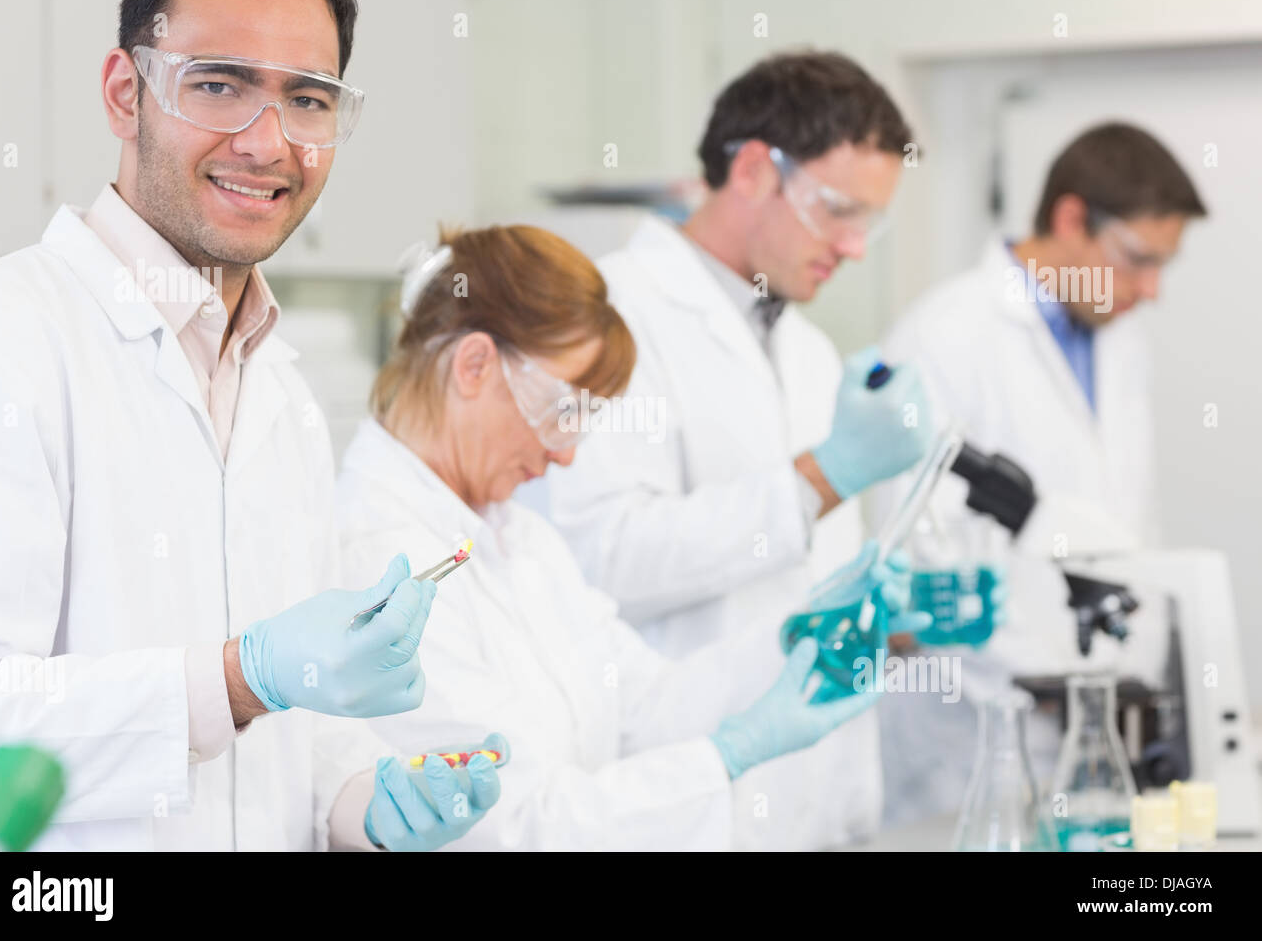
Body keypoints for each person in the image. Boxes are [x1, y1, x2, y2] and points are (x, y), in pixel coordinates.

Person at [0, 0, 499, 851]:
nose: (267, 142)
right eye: (218, 85)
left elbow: (300, 731)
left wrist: (369, 803)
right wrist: (240, 680)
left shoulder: (286, 389)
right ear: (124, 92)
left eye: (308, 99)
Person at [335, 225, 926, 850]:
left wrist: (797, 633)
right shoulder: (375, 557)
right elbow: (512, 824)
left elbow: (640, 702)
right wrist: (726, 757)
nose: (566, 456)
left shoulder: (521, 539)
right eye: (564, 412)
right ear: (474, 364)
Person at [544, 51, 933, 849]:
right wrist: (819, 481)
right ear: (754, 170)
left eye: (871, 222)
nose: (855, 247)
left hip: (817, 806)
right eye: (838, 210)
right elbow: (594, 559)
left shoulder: (813, 351)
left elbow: (797, 583)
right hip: (686, 798)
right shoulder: (610, 318)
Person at [872, 122, 1207, 826]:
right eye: (1138, 259)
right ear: (1071, 218)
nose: (1151, 290)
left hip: (1100, 718)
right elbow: (911, 555)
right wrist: (1049, 678)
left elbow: (1126, 518)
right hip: (968, 738)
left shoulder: (1121, 342)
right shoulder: (947, 336)